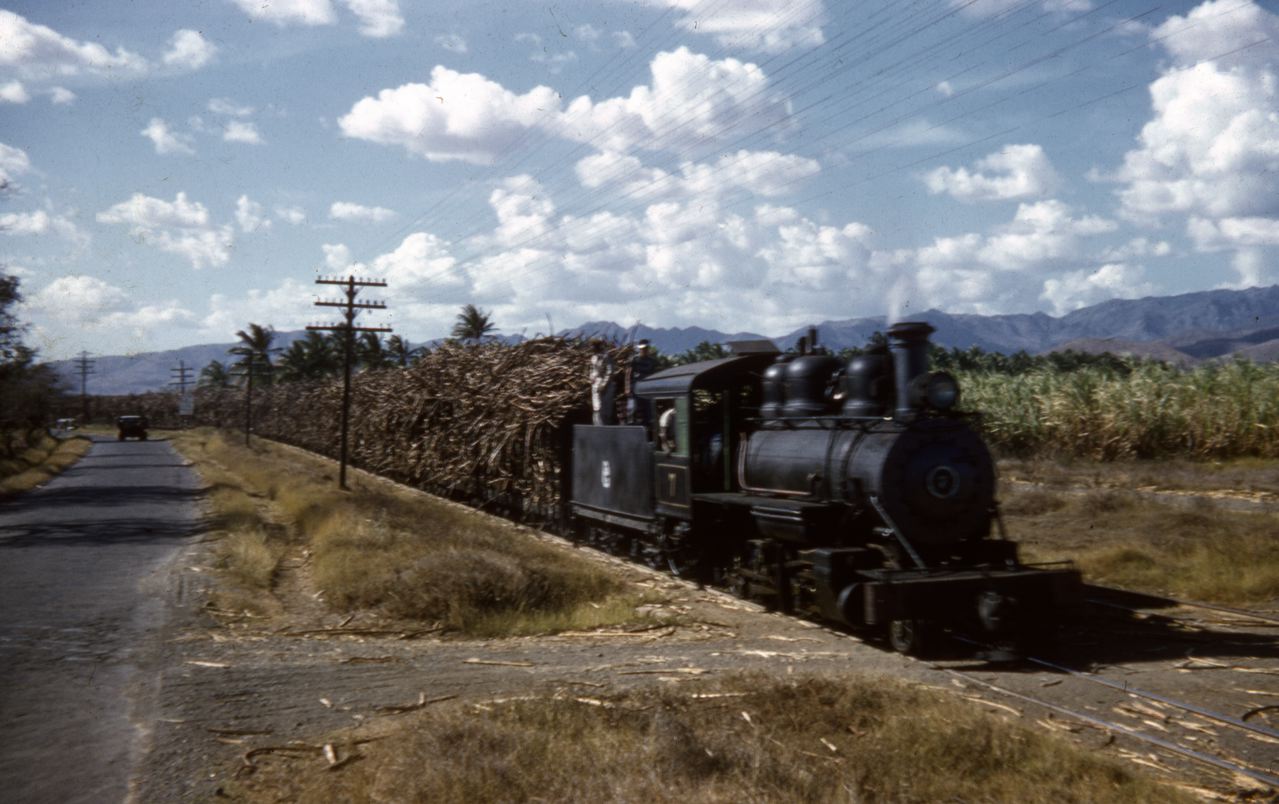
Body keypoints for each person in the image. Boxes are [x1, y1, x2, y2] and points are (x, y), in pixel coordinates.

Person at [625, 339, 657, 426]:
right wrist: (627, 387)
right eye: (642, 349)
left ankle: (647, 425)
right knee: (633, 407)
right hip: (635, 387)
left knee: (648, 409)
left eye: (645, 348)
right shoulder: (634, 360)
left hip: (647, 388)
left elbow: (654, 374)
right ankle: (631, 424)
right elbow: (628, 374)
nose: (644, 350)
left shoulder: (652, 361)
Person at [589, 340, 617, 426]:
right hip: (595, 385)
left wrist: (603, 385)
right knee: (596, 407)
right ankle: (597, 425)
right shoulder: (593, 357)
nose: (591, 349)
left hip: (606, 386)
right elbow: (592, 369)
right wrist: (591, 377)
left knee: (605, 408)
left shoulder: (606, 357)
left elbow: (609, 371)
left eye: (593, 347)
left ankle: (605, 426)